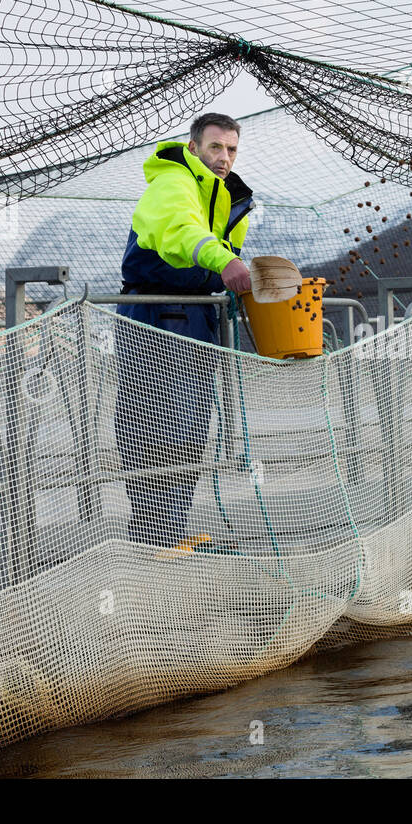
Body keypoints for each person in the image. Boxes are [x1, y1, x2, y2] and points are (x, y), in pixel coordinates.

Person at [113, 112, 254, 547]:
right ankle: (155, 529)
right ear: (194, 148)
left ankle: (165, 529)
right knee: (153, 423)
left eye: (231, 149)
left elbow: (220, 250)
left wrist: (230, 273)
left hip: (194, 316)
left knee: (190, 425)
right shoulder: (174, 183)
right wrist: (224, 263)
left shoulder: (231, 199)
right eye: (215, 147)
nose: (224, 157)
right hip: (156, 312)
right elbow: (181, 232)